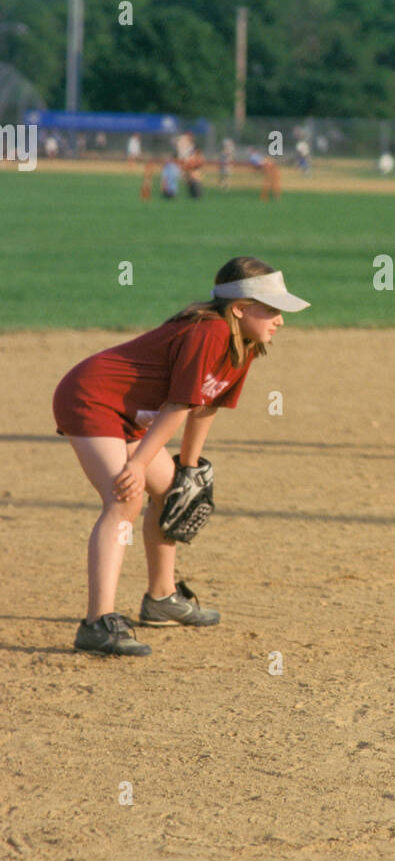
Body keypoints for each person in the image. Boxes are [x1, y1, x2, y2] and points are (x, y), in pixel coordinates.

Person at [52, 257, 310, 657]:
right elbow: (178, 404)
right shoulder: (210, 331)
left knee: (173, 490)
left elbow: (205, 405)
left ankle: (161, 597)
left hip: (133, 413)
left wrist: (188, 468)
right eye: (272, 310)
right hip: (91, 398)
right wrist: (137, 466)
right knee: (124, 497)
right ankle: (96, 624)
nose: (280, 320)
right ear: (239, 309)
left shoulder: (245, 344)